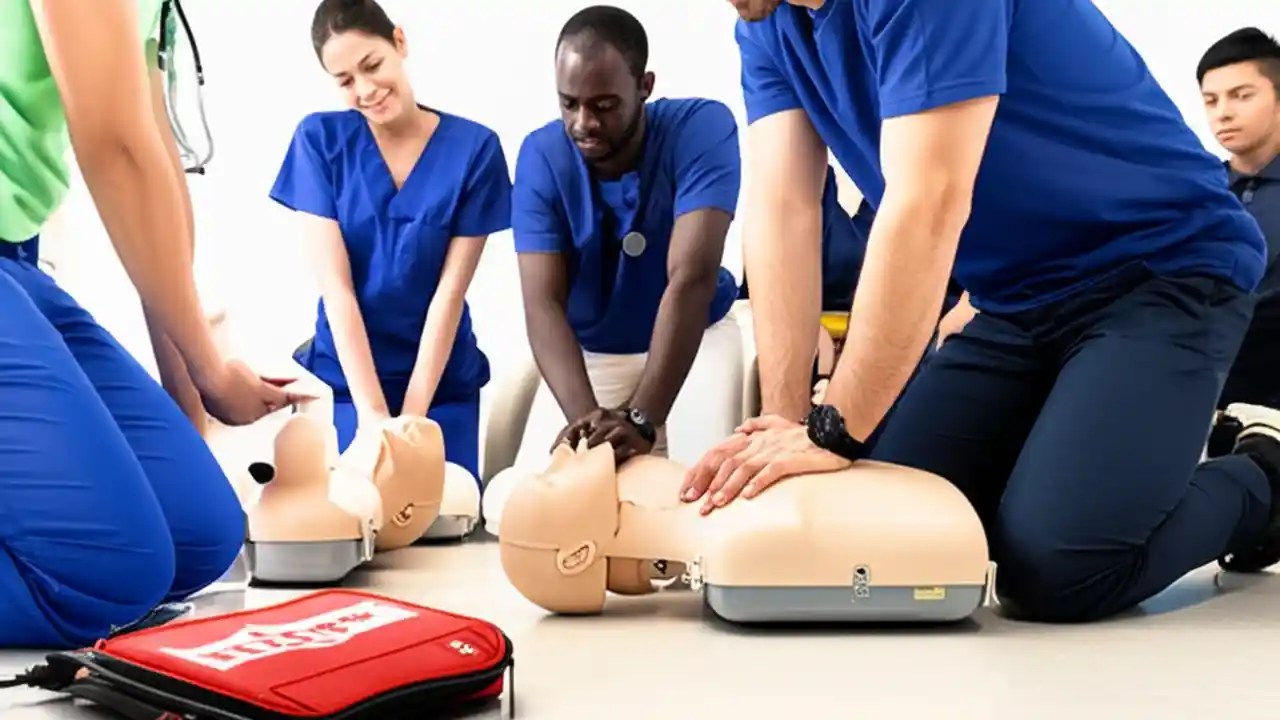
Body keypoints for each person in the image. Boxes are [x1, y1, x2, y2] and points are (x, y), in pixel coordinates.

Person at [682, 0, 1280, 624]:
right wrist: (783, 427)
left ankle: (1263, 479)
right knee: (892, 531)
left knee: (1057, 569)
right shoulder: (767, 22)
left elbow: (928, 201)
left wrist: (833, 430)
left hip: (1161, 268)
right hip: (1014, 299)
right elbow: (784, 211)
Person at [0, 0, 310, 648]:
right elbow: (114, 149)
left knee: (200, 534)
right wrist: (211, 370)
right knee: (105, 576)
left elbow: (152, 157)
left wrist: (189, 394)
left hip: (15, 256)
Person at [270, 0, 513, 484]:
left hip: (440, 384)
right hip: (345, 385)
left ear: (399, 42)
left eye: (372, 64)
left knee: (447, 506)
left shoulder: (475, 150)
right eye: (345, 80)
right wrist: (374, 418)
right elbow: (337, 290)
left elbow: (449, 294)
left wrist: (412, 423)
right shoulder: (319, 141)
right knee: (349, 504)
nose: (365, 89)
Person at [510, 5, 741, 464]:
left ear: (644, 86)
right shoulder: (542, 155)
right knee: (537, 492)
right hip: (595, 353)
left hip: (697, 336)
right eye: (569, 104)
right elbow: (542, 302)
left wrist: (642, 419)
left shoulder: (701, 128)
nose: (583, 123)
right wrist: (587, 427)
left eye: (604, 105)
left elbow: (691, 278)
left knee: (693, 489)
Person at [1198, 28, 1280, 440]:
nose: (1223, 113)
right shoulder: (1196, 191)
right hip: (1195, 405)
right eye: (1211, 100)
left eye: (1241, 96)